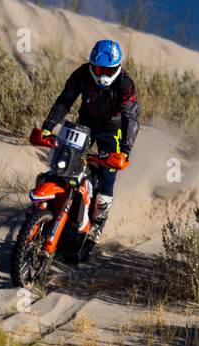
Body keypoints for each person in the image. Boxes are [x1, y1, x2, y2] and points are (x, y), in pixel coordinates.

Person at [40, 39, 140, 242]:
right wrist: (47, 127)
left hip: (112, 131)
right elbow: (65, 100)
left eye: (108, 70)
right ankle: (50, 208)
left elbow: (131, 117)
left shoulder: (125, 84)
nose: (102, 74)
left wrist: (125, 151)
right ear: (91, 64)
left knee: (107, 178)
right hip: (84, 125)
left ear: (117, 68)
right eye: (98, 68)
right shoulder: (82, 74)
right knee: (63, 163)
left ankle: (97, 223)